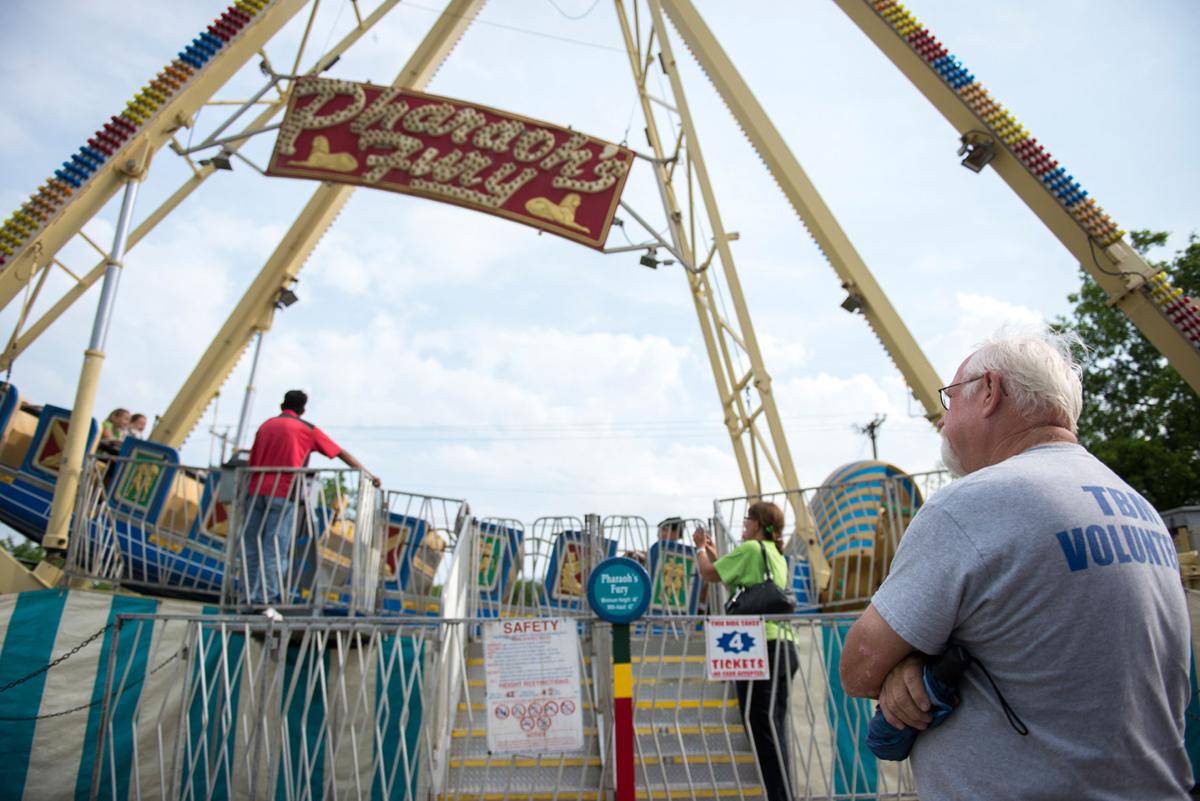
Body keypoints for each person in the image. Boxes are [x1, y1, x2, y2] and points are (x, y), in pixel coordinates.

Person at [840, 327, 1191, 799]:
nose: (943, 423)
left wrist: (907, 662)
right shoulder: (1136, 507)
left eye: (950, 400)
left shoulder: (972, 503)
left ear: (989, 391)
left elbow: (859, 665)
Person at [693, 501, 796, 801]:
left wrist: (700, 548)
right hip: (783, 645)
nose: (744, 523)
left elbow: (709, 574)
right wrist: (715, 552)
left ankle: (779, 795)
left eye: (748, 518)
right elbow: (731, 574)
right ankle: (782, 792)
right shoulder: (776, 554)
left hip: (760, 645)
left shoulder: (752, 549)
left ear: (759, 524)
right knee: (773, 725)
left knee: (761, 725)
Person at [241, 390, 381, 607]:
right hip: (282, 492)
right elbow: (340, 453)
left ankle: (247, 597)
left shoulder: (266, 425)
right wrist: (369, 475)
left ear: (282, 405)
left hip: (254, 490)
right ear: (303, 409)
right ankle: (266, 598)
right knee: (274, 547)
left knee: (251, 547)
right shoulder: (306, 429)